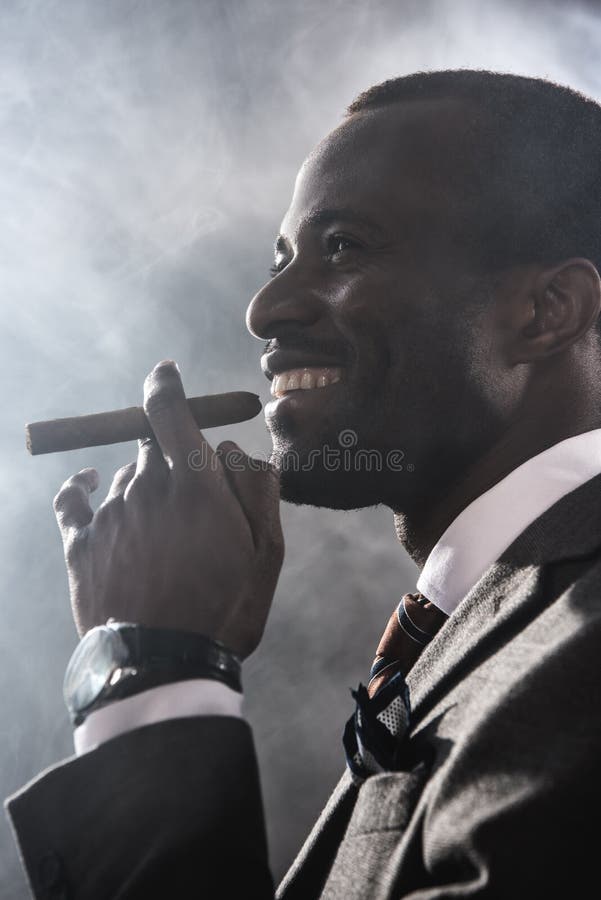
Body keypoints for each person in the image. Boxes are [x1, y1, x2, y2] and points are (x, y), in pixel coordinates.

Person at [6, 69, 601, 899]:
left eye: (344, 246)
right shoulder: (484, 624)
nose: (265, 308)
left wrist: (158, 670)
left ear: (546, 311)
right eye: (282, 259)